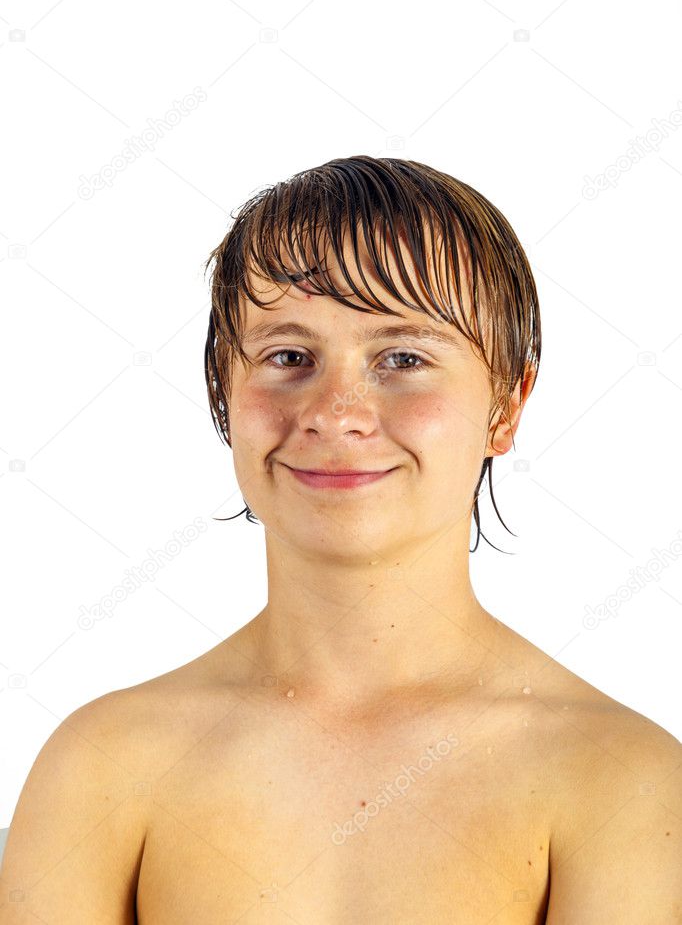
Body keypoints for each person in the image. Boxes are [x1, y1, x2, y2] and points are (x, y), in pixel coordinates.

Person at [1, 155, 679, 923]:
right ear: (226, 392)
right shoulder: (102, 766)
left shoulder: (620, 777)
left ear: (504, 408)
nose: (335, 411)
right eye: (289, 356)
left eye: (403, 359)